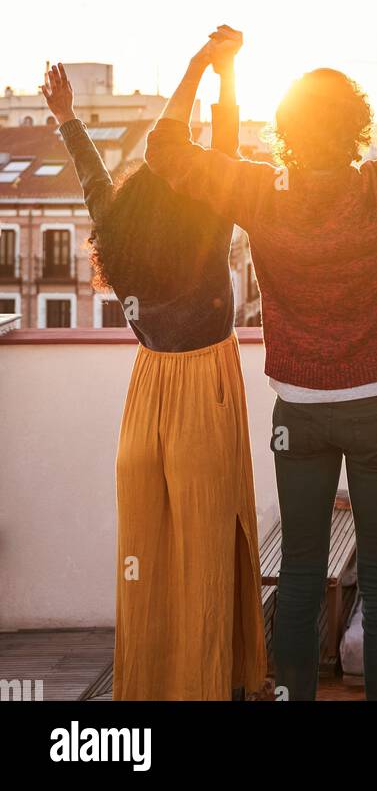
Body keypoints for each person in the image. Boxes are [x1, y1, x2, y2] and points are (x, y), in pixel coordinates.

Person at [144, 26, 377, 701]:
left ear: (287, 131)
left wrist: (202, 64)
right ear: (358, 126)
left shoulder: (262, 191)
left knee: (303, 577)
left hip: (300, 417)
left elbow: (165, 149)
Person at [41, 35, 267, 701]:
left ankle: (148, 687)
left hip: (147, 396)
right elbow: (221, 149)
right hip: (205, 390)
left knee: (148, 552)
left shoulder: (119, 224)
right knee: (206, 547)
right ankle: (207, 682)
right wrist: (218, 73)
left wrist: (65, 118)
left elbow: (93, 179)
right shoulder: (207, 222)